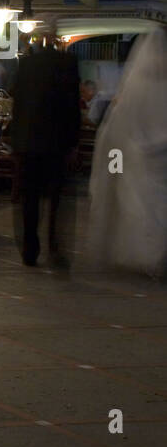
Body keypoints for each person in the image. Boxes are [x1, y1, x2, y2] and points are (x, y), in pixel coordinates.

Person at [87, 27, 167, 277]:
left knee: (140, 207)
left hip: (134, 159)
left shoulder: (135, 85)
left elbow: (118, 126)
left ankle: (148, 254)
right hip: (157, 160)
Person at [8, 36, 81, 267]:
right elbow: (72, 106)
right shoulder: (68, 63)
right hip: (57, 142)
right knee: (57, 198)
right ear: (57, 41)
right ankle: (55, 245)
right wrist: (73, 143)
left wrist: (15, 140)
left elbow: (16, 102)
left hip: (28, 143)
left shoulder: (27, 65)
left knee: (30, 198)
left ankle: (30, 249)